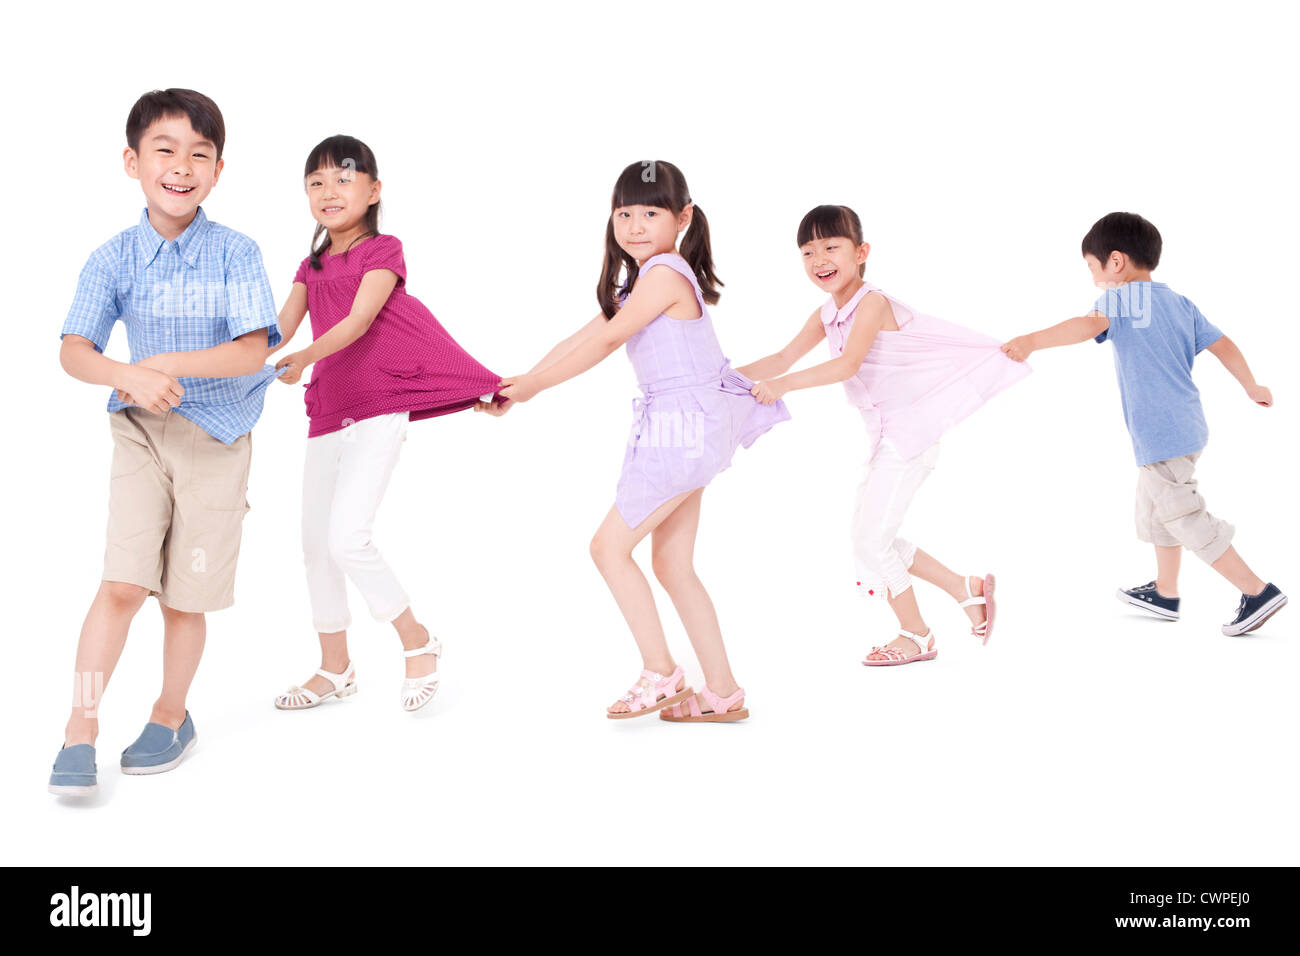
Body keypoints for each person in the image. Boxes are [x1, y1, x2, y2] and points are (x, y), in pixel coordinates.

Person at [482, 160, 788, 721]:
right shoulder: (641, 279)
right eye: (624, 213)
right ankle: (721, 692)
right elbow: (587, 334)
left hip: (683, 433)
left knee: (607, 548)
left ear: (683, 218)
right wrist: (519, 380)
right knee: (672, 565)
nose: (635, 225)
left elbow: (607, 343)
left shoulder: (666, 275)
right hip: (687, 427)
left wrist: (533, 389)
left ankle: (661, 671)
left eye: (651, 213)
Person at [50, 89, 282, 796]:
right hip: (140, 435)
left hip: (218, 438)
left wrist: (162, 366)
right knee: (121, 584)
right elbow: (73, 351)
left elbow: (251, 351)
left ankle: (169, 715)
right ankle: (79, 727)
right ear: (133, 161)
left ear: (217, 171)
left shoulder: (237, 253)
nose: (182, 166)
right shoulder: (113, 257)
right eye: (165, 150)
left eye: (199, 155)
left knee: (184, 599)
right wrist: (125, 375)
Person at [271, 135, 501, 714]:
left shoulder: (384, 251)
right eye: (316, 182)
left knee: (348, 536)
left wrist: (302, 358)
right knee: (315, 547)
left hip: (378, 406)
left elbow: (357, 320)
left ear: (373, 191)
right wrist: (228, 358)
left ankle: (417, 641)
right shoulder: (310, 264)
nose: (329, 192)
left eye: (343, 180)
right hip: (329, 410)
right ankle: (335, 667)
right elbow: (278, 330)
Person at [743, 204, 1030, 666]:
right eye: (808, 251)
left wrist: (782, 387)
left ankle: (916, 636)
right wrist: (719, 378)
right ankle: (965, 588)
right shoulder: (825, 313)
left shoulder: (872, 302)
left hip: (910, 435)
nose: (819, 259)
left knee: (869, 540)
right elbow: (780, 359)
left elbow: (847, 364)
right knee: (872, 535)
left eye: (831, 247)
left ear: (861, 253)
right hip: (885, 436)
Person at [1002, 211, 1286, 636]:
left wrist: (1032, 342)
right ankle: (1166, 591)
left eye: (1091, 267)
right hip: (1183, 426)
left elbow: (1086, 325)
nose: (1093, 278)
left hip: (1161, 433)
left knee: (1184, 516)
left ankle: (1256, 590)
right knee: (1154, 510)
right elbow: (1222, 344)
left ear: (1115, 261)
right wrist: (1251, 384)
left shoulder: (1121, 300)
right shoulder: (1178, 301)